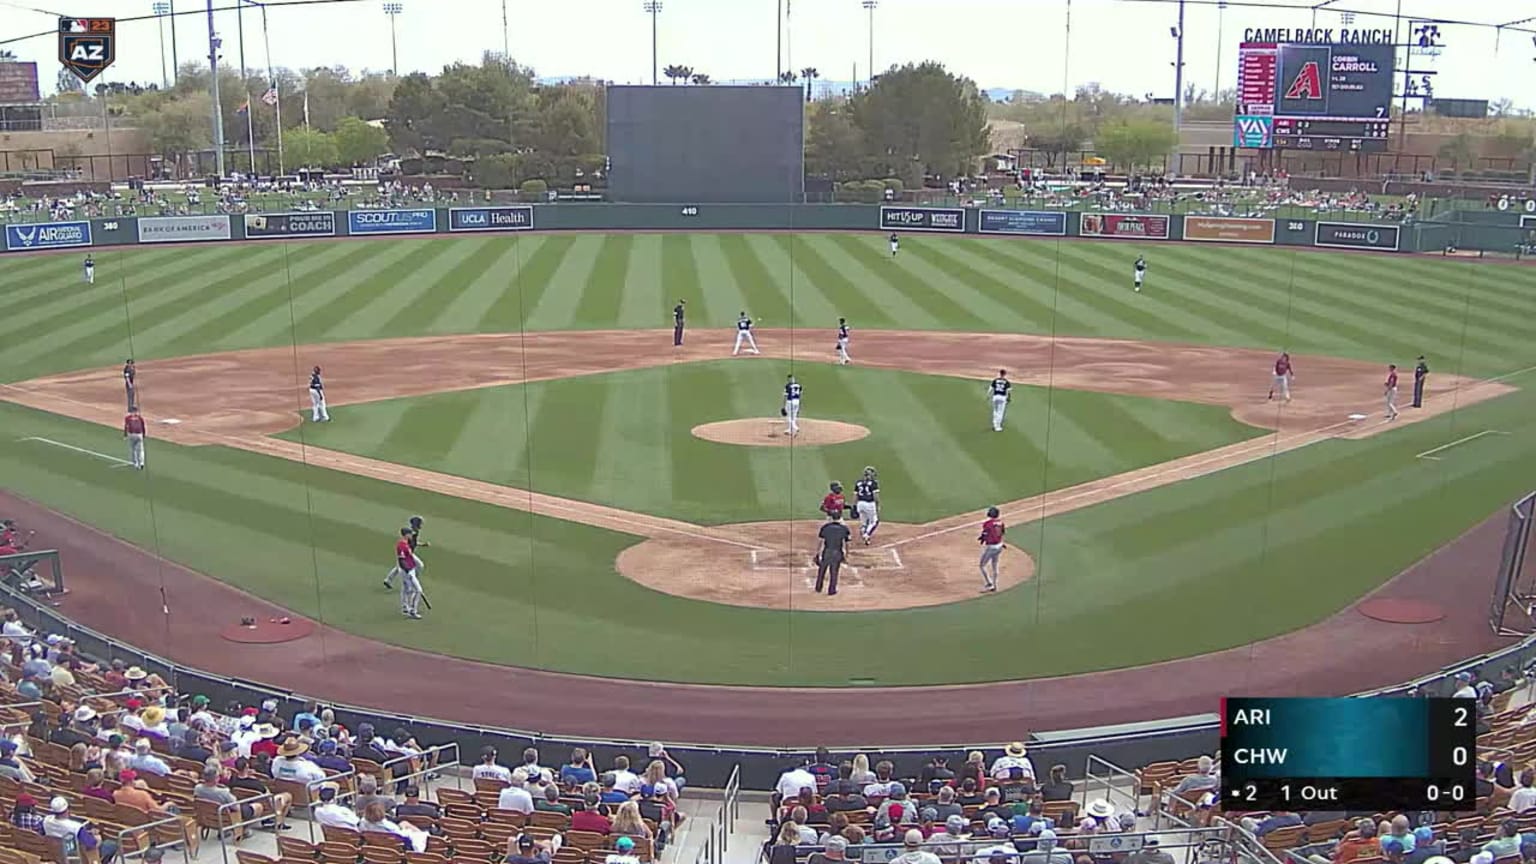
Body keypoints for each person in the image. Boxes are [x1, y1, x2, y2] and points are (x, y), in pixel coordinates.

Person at [384, 516, 429, 590]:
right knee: (420, 565)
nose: (421, 525)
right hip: (405, 554)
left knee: (398, 567)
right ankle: (413, 580)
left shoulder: (414, 532)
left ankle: (388, 580)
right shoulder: (412, 533)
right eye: (420, 523)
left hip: (407, 553)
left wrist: (423, 544)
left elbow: (414, 543)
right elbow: (406, 543)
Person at [814, 512, 852, 597]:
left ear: (831, 518)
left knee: (822, 570)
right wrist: (846, 555)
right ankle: (832, 590)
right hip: (837, 552)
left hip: (827, 551)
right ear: (840, 518)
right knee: (834, 572)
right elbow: (847, 544)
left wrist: (817, 553)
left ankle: (818, 587)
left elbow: (820, 541)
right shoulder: (844, 528)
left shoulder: (825, 527)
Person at [394, 528, 424, 620]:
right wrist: (407, 571)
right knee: (418, 590)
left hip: (411, 569)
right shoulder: (401, 545)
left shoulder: (407, 543)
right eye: (410, 534)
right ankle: (413, 611)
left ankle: (405, 607)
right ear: (406, 535)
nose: (412, 536)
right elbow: (401, 560)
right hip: (407, 571)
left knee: (406, 588)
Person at [978, 507, 1006, 593]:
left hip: (991, 547)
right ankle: (995, 584)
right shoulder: (1001, 523)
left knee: (982, 565)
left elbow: (985, 533)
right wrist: (1001, 542)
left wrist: (982, 538)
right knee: (995, 564)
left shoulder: (988, 523)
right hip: (999, 546)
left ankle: (990, 584)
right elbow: (1002, 533)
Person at [853, 467, 880, 545]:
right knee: (874, 521)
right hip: (869, 504)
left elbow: (855, 495)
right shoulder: (874, 483)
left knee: (864, 521)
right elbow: (875, 496)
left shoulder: (858, 482)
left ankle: (863, 530)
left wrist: (854, 506)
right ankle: (866, 534)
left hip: (860, 503)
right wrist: (877, 505)